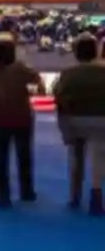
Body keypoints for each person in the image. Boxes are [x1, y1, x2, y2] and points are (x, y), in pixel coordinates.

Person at [0, 34, 47, 207]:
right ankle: (26, 191)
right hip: (21, 117)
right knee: (24, 155)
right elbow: (38, 83)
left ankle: (3, 195)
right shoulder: (21, 68)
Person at [52, 34, 105, 214]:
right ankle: (96, 195)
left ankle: (75, 196)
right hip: (101, 121)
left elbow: (58, 97)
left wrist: (64, 125)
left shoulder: (68, 74)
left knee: (76, 157)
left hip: (74, 121)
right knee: (99, 158)